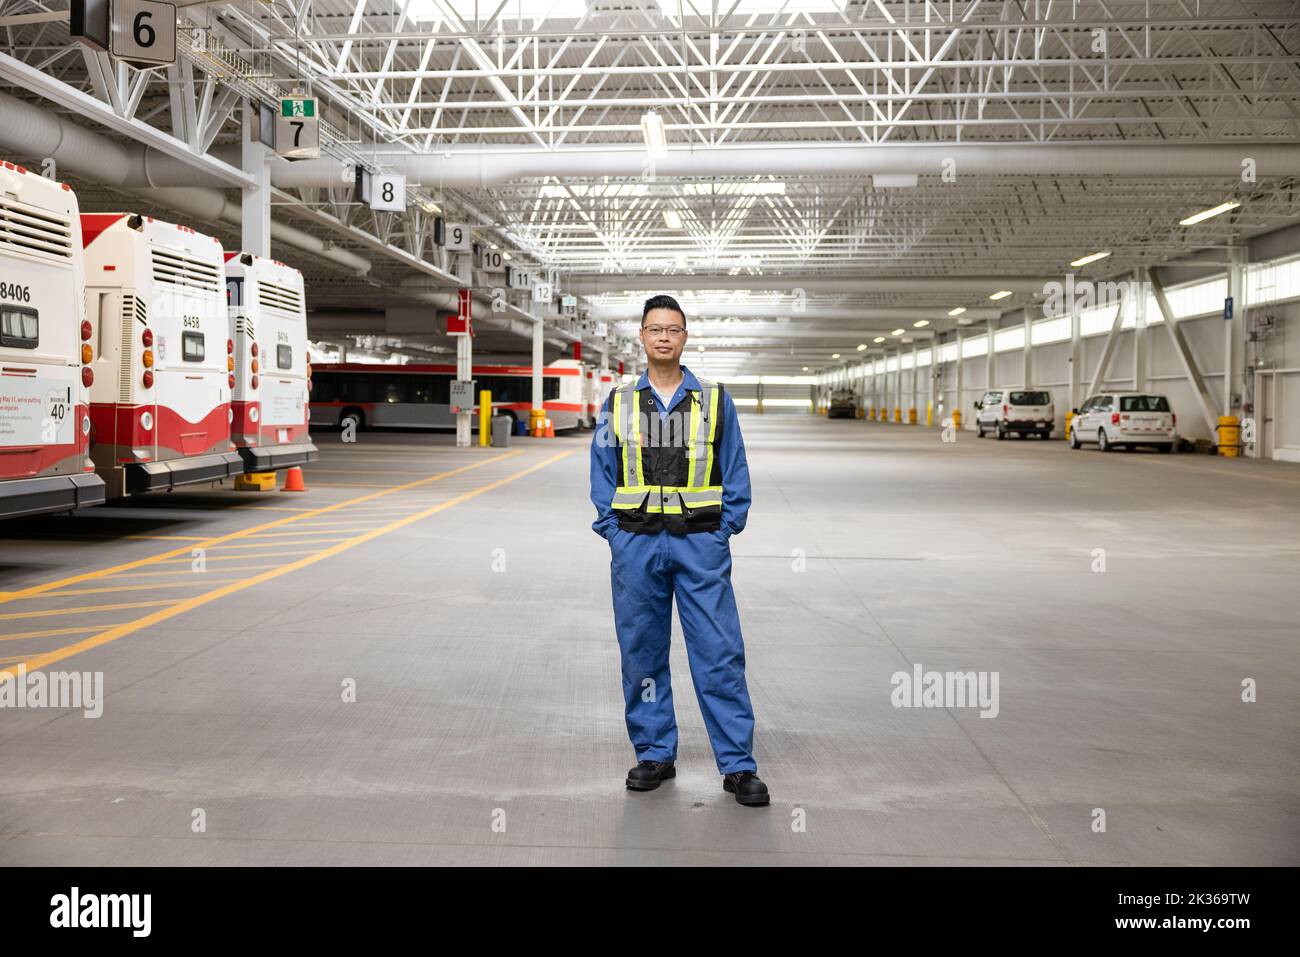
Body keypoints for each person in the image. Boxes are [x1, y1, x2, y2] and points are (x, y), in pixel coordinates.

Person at [589, 294, 769, 807]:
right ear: (642, 338)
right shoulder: (620, 402)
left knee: (719, 653)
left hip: (699, 544)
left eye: (673, 329)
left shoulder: (715, 399)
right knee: (642, 652)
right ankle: (654, 754)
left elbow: (733, 465)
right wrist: (612, 529)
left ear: (684, 338)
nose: (664, 336)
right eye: (654, 329)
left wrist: (725, 527)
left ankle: (737, 766)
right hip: (637, 545)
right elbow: (602, 467)